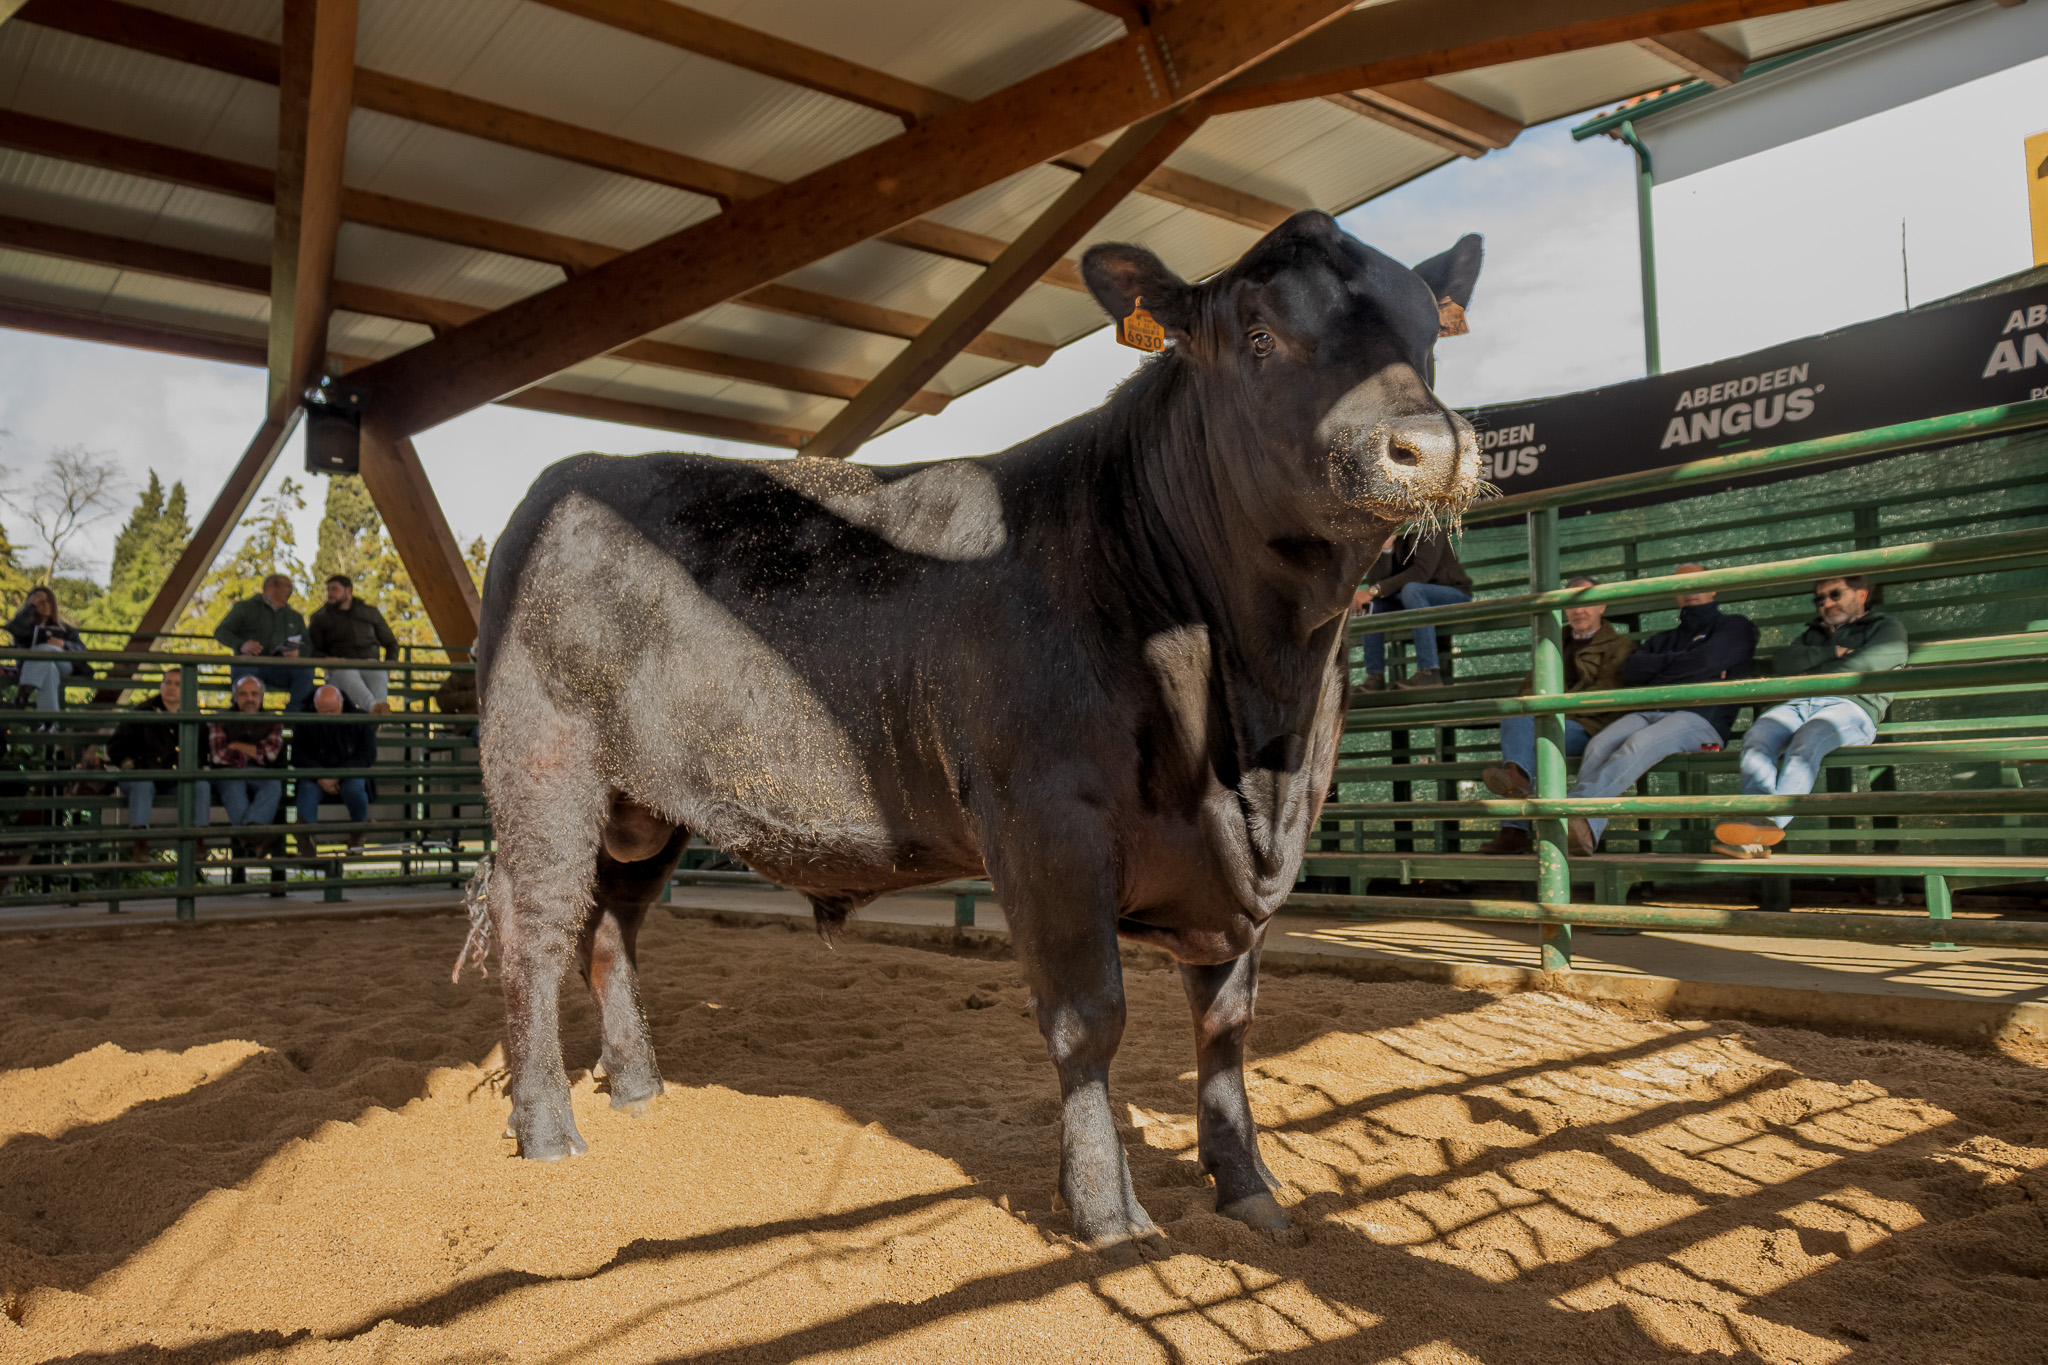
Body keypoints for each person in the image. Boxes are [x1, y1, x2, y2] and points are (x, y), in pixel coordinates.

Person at [1565, 563, 1759, 857]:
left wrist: (1665, 670)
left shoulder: (1736, 626)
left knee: (1636, 744)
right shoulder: (1664, 638)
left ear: (1713, 586)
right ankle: (1582, 830)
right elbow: (1632, 670)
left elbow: (1706, 661)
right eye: (1681, 585)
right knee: (1598, 744)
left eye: (1697, 582)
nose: (1689, 591)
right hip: (1650, 713)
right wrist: (1691, 667)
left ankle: (1571, 817)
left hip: (1701, 719)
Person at [1715, 575, 1908, 859]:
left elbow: (1875, 662)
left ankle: (1762, 828)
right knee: (1758, 734)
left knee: (1807, 739)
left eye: (1835, 594)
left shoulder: (1886, 626)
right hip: (1801, 703)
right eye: (1820, 599)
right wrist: (1833, 652)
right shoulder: (1814, 633)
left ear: (1862, 594)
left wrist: (1809, 671)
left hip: (1852, 708)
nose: (1827, 603)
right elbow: (1784, 662)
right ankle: (1756, 826)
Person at [1476, 577, 1635, 854]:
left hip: (1589, 728)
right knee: (1516, 718)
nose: (1578, 610)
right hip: (1550, 723)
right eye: (1570, 604)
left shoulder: (1620, 647)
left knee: (1531, 740)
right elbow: (1528, 686)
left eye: (1585, 601)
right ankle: (1516, 777)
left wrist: (1553, 708)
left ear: (1602, 605)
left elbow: (1604, 696)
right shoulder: (1551, 641)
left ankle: (1514, 828)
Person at [1350, 529, 1473, 690]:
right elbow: (1376, 581)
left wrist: (1375, 590)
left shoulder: (1430, 522)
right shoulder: (1392, 530)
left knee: (1412, 589)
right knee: (1370, 604)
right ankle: (1375, 677)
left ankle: (1429, 671)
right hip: (1409, 598)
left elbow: (1421, 572)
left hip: (1451, 593)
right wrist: (1386, 549)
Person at [292, 684, 377, 856]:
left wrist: (338, 774)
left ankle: (357, 833)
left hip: (349, 774)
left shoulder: (361, 720)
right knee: (307, 790)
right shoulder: (304, 720)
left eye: (332, 710)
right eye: (322, 711)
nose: (327, 716)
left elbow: (367, 755)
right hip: (315, 777)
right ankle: (306, 840)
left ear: (342, 703)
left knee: (355, 788)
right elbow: (298, 756)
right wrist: (320, 776)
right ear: (315, 707)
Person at [107, 667, 182, 862]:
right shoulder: (141, 712)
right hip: (141, 775)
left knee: (200, 785)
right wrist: (132, 766)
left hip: (173, 780)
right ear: (161, 685)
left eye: (177, 684)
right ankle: (139, 842)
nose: (171, 688)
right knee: (142, 783)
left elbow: (202, 752)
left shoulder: (193, 715)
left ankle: (198, 840)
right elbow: (116, 746)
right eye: (168, 682)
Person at [199, 675, 285, 836]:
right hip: (227, 774)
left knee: (273, 785)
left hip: (258, 773)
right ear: (235, 698)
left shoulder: (273, 720)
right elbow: (218, 756)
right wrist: (255, 752)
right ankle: (255, 836)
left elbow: (271, 755)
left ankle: (248, 837)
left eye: (254, 694)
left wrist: (236, 746)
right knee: (233, 786)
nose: (249, 699)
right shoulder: (220, 718)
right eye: (243, 694)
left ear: (261, 697)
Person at [215, 574, 314, 711]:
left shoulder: (294, 617)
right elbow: (221, 632)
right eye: (287, 586)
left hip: (281, 667)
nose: (290, 591)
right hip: (250, 664)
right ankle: (242, 713)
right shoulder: (245, 607)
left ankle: (294, 715)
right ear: (271, 585)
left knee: (306, 670)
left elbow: (307, 644)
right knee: (244, 671)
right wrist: (242, 645)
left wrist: (297, 653)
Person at [308, 574, 399, 714]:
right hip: (340, 665)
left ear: (348, 591)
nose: (330, 594)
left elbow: (391, 643)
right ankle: (375, 709)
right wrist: (327, 660)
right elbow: (312, 648)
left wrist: (388, 666)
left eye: (334, 589)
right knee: (348, 674)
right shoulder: (320, 617)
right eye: (328, 590)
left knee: (378, 675)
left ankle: (378, 724)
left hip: (369, 662)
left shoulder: (370, 613)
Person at [7, 584, 87, 712]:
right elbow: (13, 628)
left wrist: (63, 645)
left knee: (44, 648)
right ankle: (49, 724)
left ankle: (22, 696)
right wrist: (29, 606)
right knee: (49, 668)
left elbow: (82, 650)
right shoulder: (24, 629)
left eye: (47, 601)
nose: (44, 604)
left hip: (64, 666)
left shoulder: (67, 630)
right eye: (39, 601)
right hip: (37, 668)